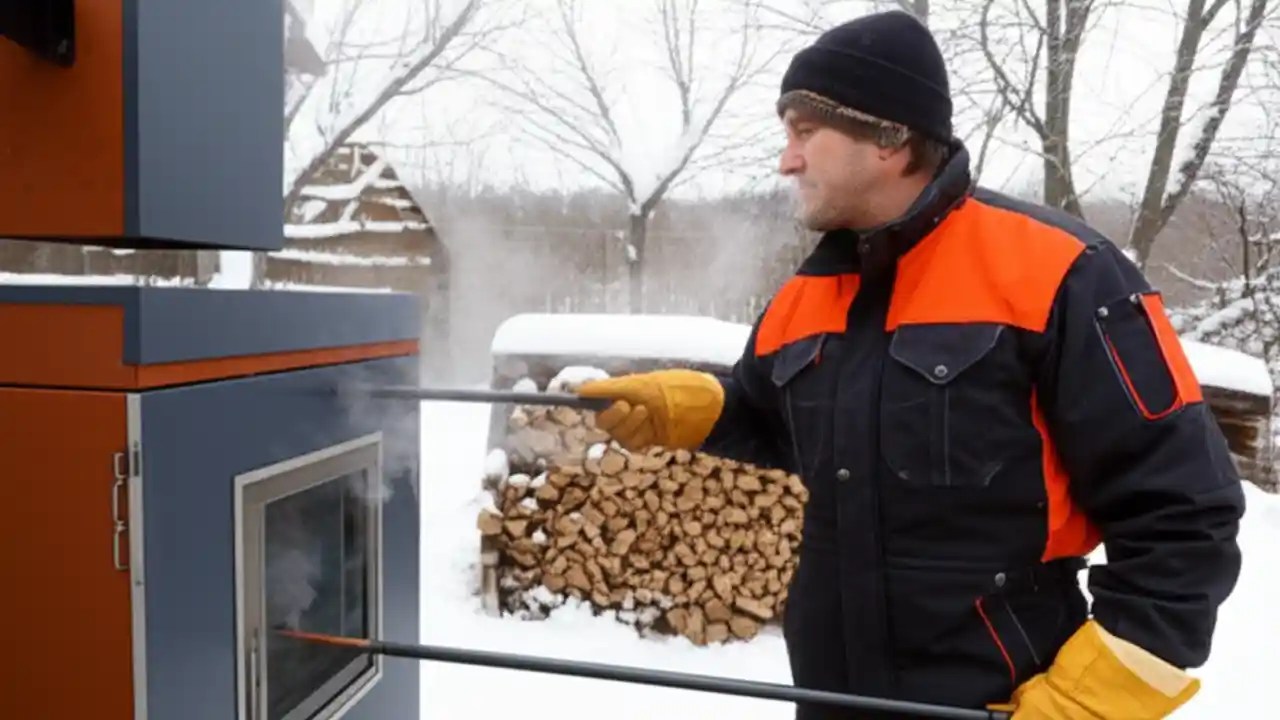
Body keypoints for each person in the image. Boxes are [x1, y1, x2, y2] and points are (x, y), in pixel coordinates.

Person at [576, 9, 1246, 720]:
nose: (786, 160)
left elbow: (1187, 516)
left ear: (888, 138)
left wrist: (1091, 699)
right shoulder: (805, 294)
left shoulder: (1063, 273)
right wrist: (710, 409)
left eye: (805, 132)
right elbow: (778, 421)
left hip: (1007, 707)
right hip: (833, 702)